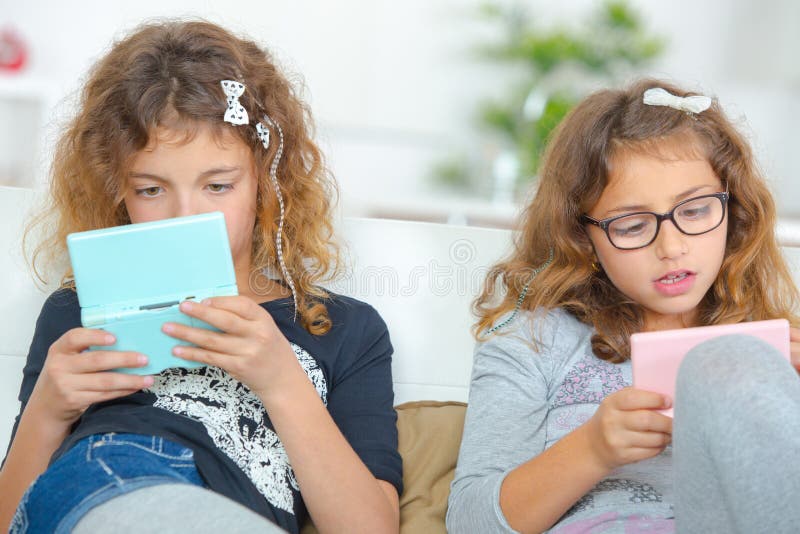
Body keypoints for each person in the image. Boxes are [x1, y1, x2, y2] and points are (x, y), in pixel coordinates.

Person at [0, 20, 401, 534]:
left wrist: (282, 380)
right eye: (150, 190)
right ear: (116, 191)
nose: (183, 215)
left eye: (217, 185)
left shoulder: (345, 330)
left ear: (267, 184)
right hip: (102, 480)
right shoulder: (78, 311)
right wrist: (47, 412)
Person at [446, 78, 800, 533]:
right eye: (632, 226)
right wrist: (592, 449)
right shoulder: (533, 342)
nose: (671, 247)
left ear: (735, 214)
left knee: (731, 364)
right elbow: (469, 524)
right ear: (583, 238)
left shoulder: (773, 346)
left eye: (695, 211)